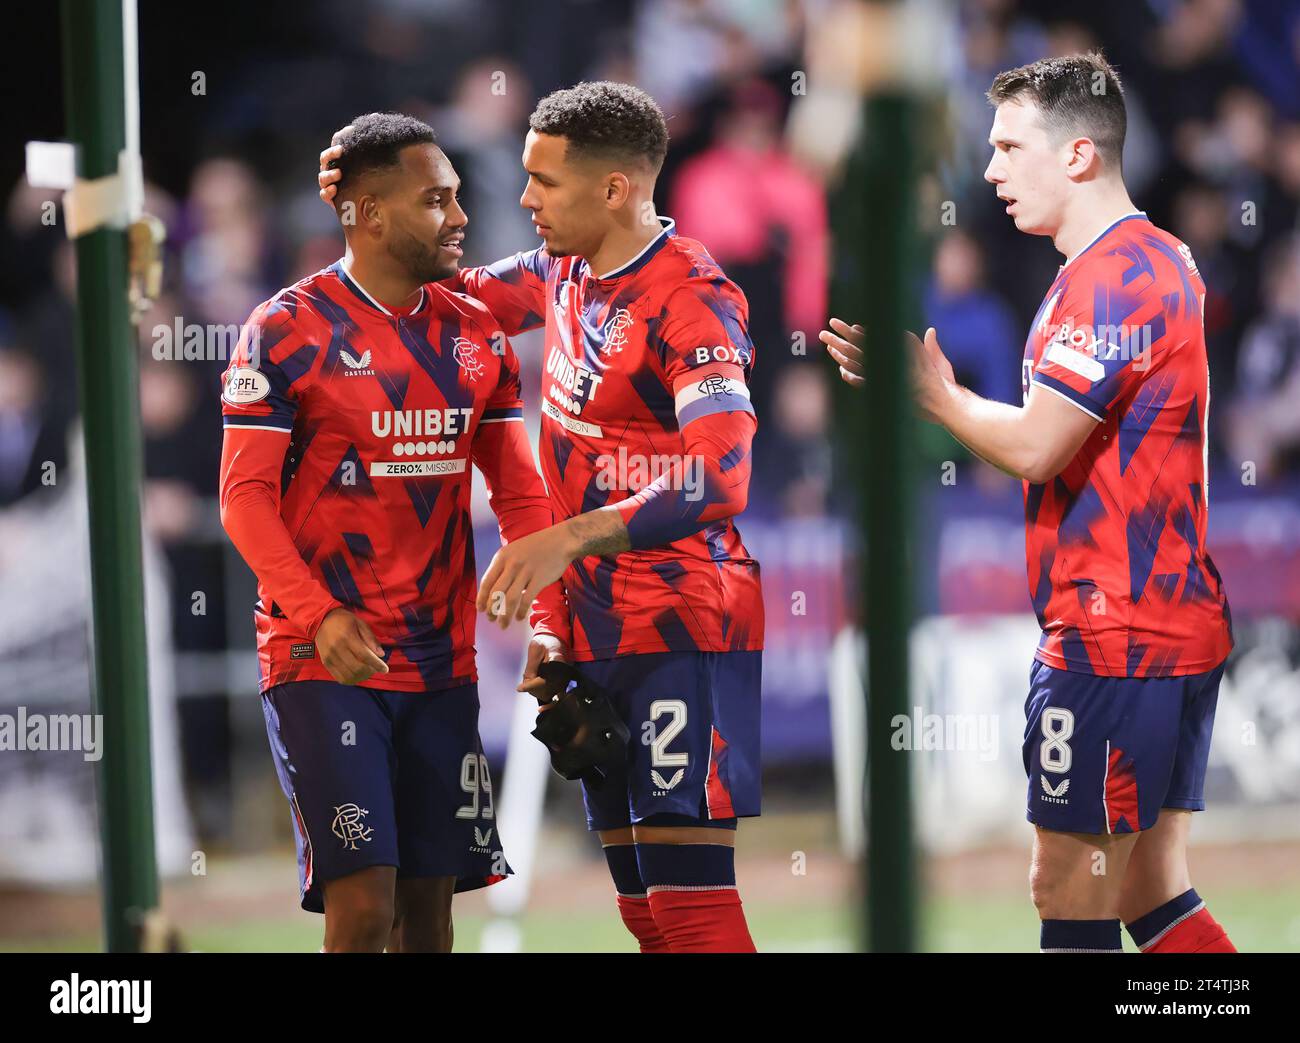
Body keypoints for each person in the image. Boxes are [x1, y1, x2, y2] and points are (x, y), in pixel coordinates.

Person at [318, 81, 765, 953]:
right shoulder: (562, 273)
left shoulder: (694, 300)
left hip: (683, 619)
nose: (523, 200)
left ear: (615, 190)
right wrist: (360, 204)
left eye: (545, 182)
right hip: (597, 628)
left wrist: (563, 538)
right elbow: (428, 294)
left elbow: (724, 471)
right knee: (643, 908)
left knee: (690, 904)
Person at [821, 52, 1236, 954]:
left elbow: (1038, 444)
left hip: (1115, 631)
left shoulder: (1112, 277)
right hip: (1171, 618)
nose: (991, 170)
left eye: (1010, 147)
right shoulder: (1157, 259)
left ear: (1079, 154)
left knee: (1066, 887)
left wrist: (934, 395)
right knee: (1150, 887)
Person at [220, 112, 562, 952]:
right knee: (364, 907)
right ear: (368, 214)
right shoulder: (284, 329)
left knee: (431, 918)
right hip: (321, 659)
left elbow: (518, 490)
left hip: (442, 663)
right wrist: (317, 615)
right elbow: (242, 500)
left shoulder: (477, 329)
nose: (461, 217)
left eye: (455, 197)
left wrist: (549, 618)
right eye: (435, 200)